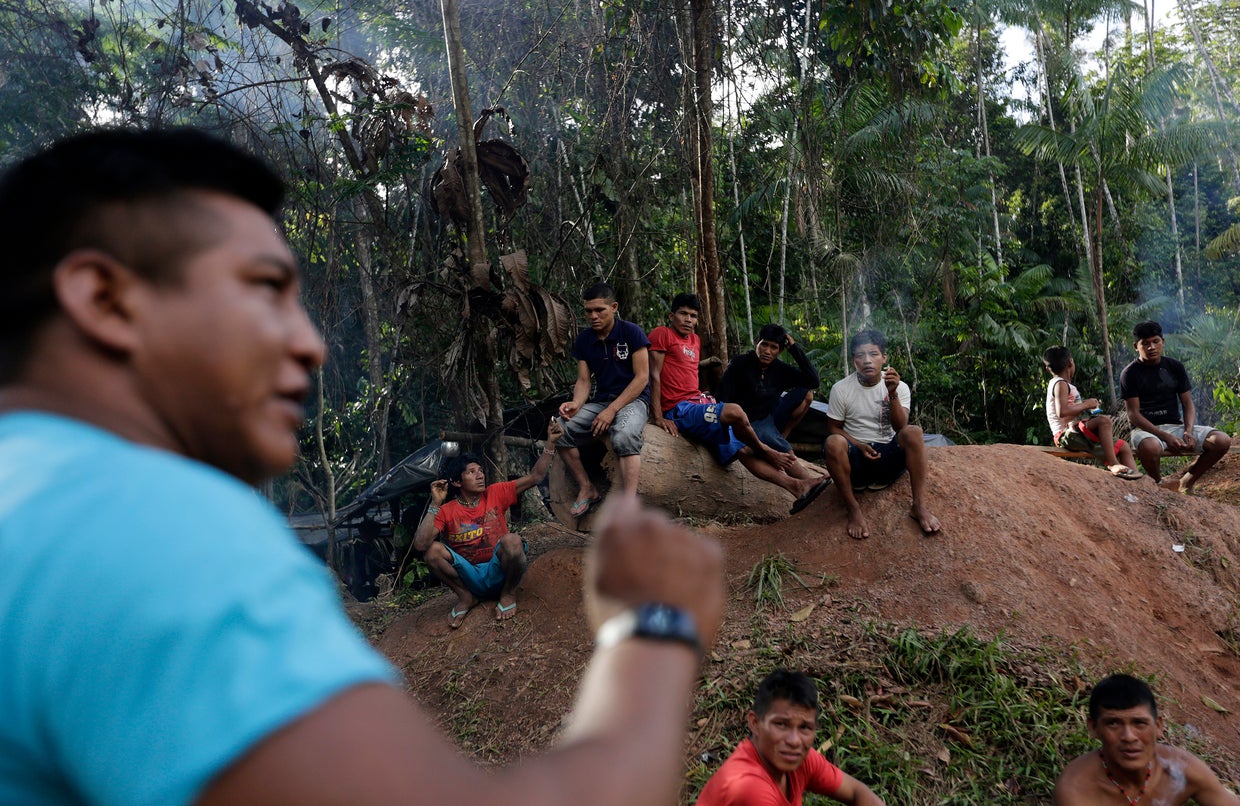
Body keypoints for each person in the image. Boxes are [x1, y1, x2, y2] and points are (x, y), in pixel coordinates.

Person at [0, 129, 725, 806]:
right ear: (103, 297)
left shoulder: (33, 500)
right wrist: (655, 637)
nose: (308, 346)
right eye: (262, 288)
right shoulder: (141, 528)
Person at [648, 294, 829, 514]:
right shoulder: (662, 334)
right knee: (736, 413)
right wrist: (658, 417)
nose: (688, 319)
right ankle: (766, 451)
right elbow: (653, 375)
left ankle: (797, 486)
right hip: (681, 409)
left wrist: (793, 347)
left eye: (693, 316)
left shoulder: (694, 341)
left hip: (707, 405)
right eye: (683, 314)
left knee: (743, 449)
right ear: (671, 315)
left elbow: (812, 381)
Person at [413, 419, 562, 627]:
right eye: (471, 472)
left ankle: (508, 594)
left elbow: (535, 477)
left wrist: (551, 443)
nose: (480, 475)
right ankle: (466, 597)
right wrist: (435, 503)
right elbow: (420, 545)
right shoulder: (447, 511)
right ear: (457, 482)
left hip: (499, 570)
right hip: (470, 577)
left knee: (512, 541)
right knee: (432, 552)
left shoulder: (496, 493)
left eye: (480, 470)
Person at [695, 669, 886, 806]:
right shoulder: (748, 787)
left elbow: (857, 792)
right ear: (755, 723)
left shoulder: (798, 758)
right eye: (781, 724)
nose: (794, 740)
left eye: (804, 727)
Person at [823, 329, 941, 539]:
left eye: (873, 354)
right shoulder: (841, 389)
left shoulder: (899, 386)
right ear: (853, 361)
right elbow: (834, 427)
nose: (867, 361)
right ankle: (853, 508)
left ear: (884, 358)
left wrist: (892, 392)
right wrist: (858, 445)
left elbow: (900, 426)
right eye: (860, 355)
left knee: (914, 432)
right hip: (855, 461)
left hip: (887, 458)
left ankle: (919, 506)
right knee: (832, 442)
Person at [1052, 674, 1240, 805]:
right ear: (1094, 728)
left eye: (1139, 723)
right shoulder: (1077, 790)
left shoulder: (1181, 770)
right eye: (1113, 724)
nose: (1129, 737)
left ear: (1158, 726)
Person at [557, 282, 650, 515]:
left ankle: (628, 503)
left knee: (624, 435)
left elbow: (642, 378)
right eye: (588, 311)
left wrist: (612, 410)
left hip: (634, 400)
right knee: (558, 428)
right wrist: (576, 404)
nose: (593, 316)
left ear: (614, 307)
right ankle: (587, 488)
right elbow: (584, 381)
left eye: (600, 310)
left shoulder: (631, 332)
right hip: (602, 400)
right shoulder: (584, 339)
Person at [1120, 320, 1232, 493]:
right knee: (1151, 447)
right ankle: (1159, 484)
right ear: (1136, 346)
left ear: (1163, 342)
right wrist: (1164, 436)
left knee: (1222, 440)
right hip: (1145, 431)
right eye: (1145, 343)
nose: (1151, 347)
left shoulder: (1174, 367)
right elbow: (1133, 415)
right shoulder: (1129, 373)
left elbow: (1187, 403)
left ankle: (1187, 481)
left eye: (1156, 341)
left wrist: (1188, 431)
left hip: (1176, 426)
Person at [1042, 345, 1143, 480]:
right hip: (1066, 434)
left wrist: (1089, 408)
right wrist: (1086, 404)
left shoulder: (1063, 384)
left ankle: (1137, 483)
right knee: (1104, 421)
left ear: (1048, 369)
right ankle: (1113, 464)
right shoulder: (1060, 383)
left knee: (1123, 446)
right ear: (1071, 362)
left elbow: (1072, 411)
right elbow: (1062, 412)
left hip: (1076, 432)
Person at [717, 322, 820, 453]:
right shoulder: (739, 364)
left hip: (769, 419)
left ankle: (782, 438)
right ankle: (774, 443)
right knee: (786, 454)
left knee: (807, 394)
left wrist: (794, 348)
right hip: (745, 423)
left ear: (780, 350)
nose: (767, 351)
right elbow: (722, 398)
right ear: (756, 343)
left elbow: (813, 381)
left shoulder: (780, 369)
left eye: (773, 347)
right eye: (764, 344)